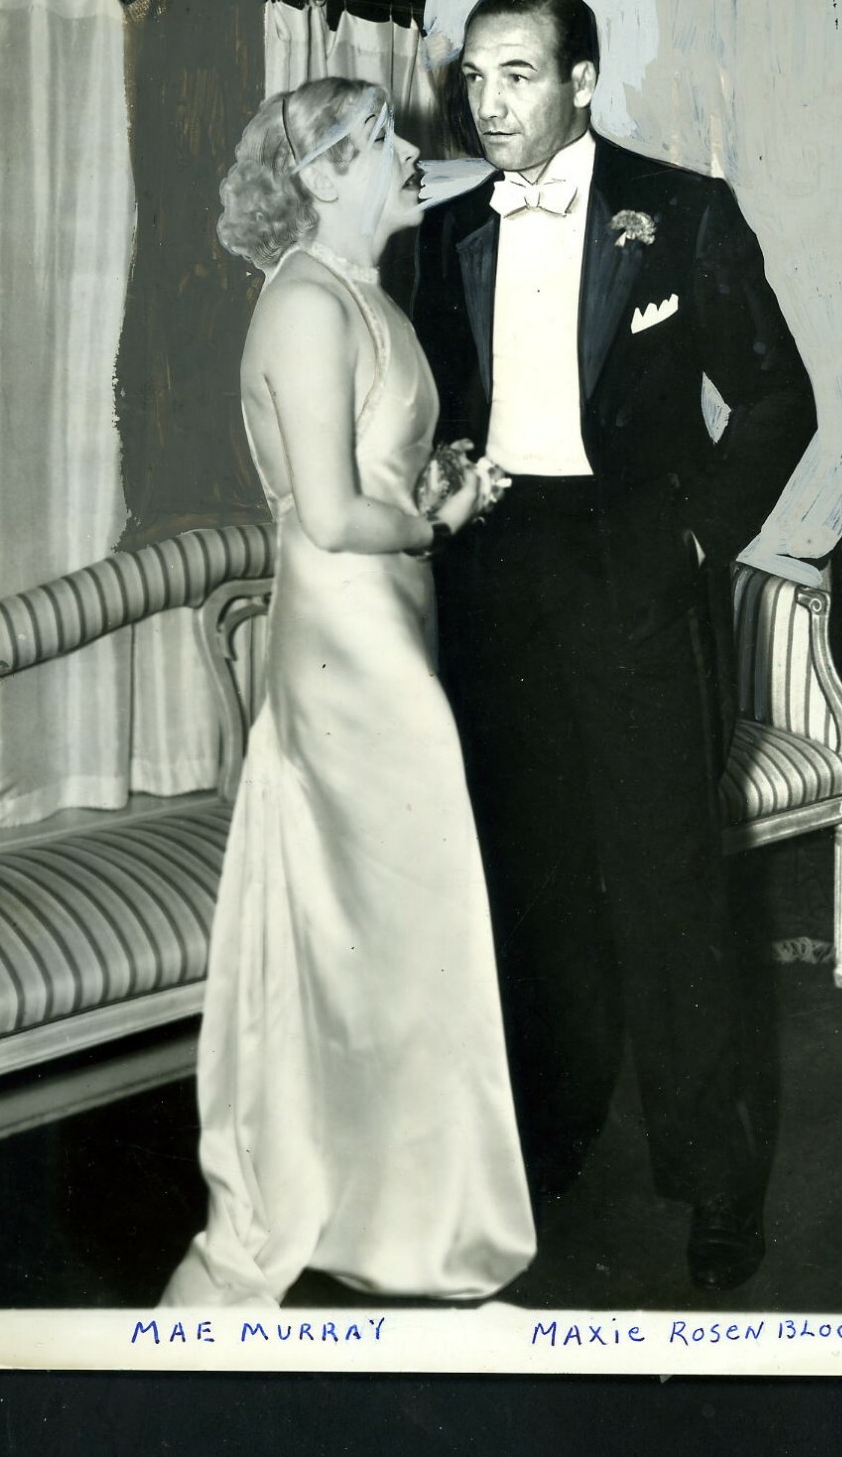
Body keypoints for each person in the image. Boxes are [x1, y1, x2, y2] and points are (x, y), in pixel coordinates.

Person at [413, 0, 819, 1290]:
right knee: (535, 889)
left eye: (517, 75)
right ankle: (551, 1134)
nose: (490, 104)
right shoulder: (444, 230)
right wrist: (446, 476)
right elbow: (435, 409)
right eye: (474, 79)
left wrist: (690, 545)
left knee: (668, 891)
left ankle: (712, 1177)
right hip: (498, 586)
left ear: (581, 82)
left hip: (634, 575)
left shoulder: (683, 212)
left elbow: (774, 399)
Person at [162, 78, 535, 1307]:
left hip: (382, 623)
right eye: (379, 144)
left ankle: (406, 1201)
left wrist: (436, 479)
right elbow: (328, 513)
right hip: (348, 641)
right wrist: (442, 517)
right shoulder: (307, 305)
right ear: (320, 176)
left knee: (395, 928)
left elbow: (371, 467)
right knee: (399, 920)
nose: (405, 157)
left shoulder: (360, 294)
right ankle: (410, 1218)